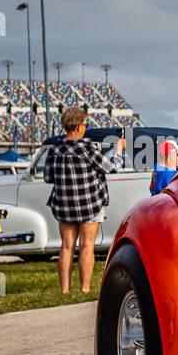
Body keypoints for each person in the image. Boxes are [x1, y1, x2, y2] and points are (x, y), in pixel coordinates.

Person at [44, 106, 124, 294]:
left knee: (66, 246)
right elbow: (112, 168)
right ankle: (85, 288)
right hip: (90, 204)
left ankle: (65, 290)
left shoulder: (55, 149)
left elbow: (48, 177)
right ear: (79, 126)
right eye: (85, 124)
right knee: (87, 246)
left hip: (64, 205)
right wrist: (118, 150)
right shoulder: (87, 148)